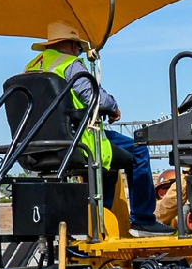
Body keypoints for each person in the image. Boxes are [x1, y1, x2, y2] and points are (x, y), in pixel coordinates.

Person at [25, 29, 174, 235]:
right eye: (78, 46)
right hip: (78, 138)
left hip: (39, 144)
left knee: (111, 160)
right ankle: (143, 219)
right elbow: (94, 98)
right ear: (71, 44)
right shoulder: (70, 65)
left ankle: (99, 219)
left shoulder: (31, 67)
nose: (79, 51)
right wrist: (113, 107)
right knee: (138, 150)